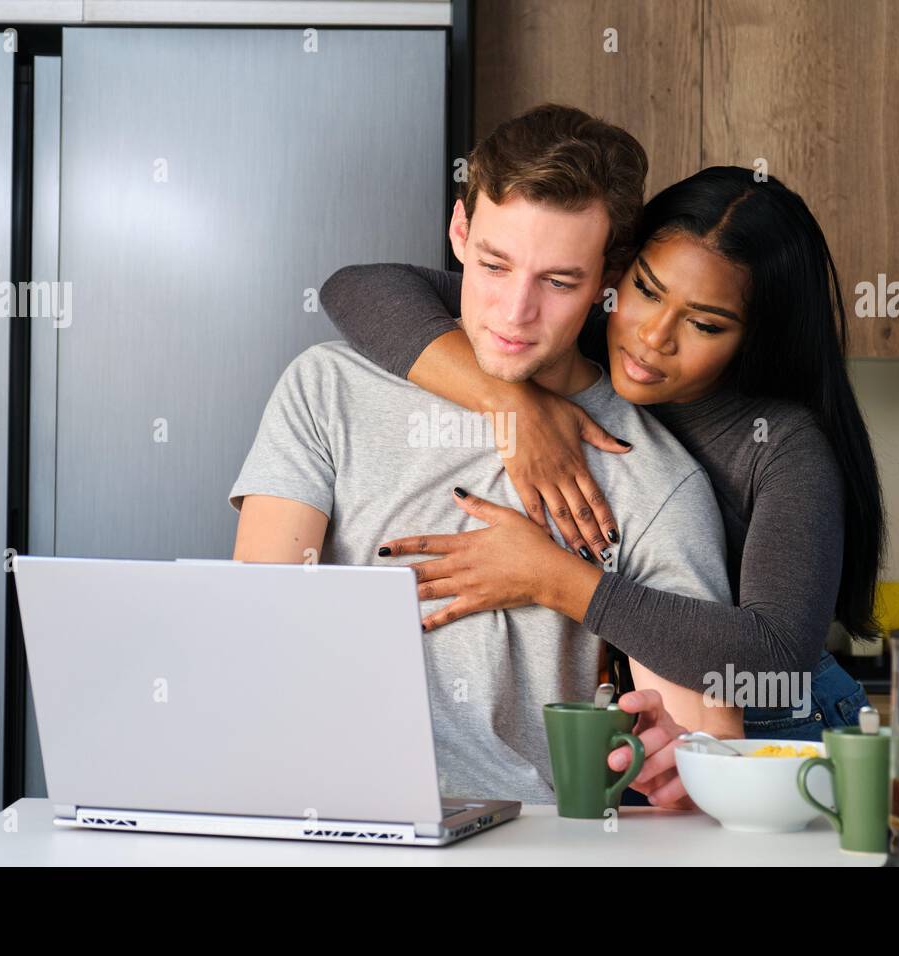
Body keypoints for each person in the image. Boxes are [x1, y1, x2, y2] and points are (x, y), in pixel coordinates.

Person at [229, 104, 738, 808]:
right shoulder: (328, 388)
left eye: (559, 283)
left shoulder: (651, 476)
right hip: (314, 808)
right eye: (495, 265)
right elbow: (251, 631)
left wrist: (684, 768)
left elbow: (703, 744)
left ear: (609, 277)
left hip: (521, 834)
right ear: (460, 232)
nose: (513, 313)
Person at [319, 161, 885, 746]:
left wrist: (550, 577)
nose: (654, 337)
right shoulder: (579, 333)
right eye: (645, 290)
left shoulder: (784, 446)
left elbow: (773, 657)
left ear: (757, 336)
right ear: (616, 272)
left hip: (781, 732)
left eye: (706, 325)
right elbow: (360, 288)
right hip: (642, 717)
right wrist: (508, 402)